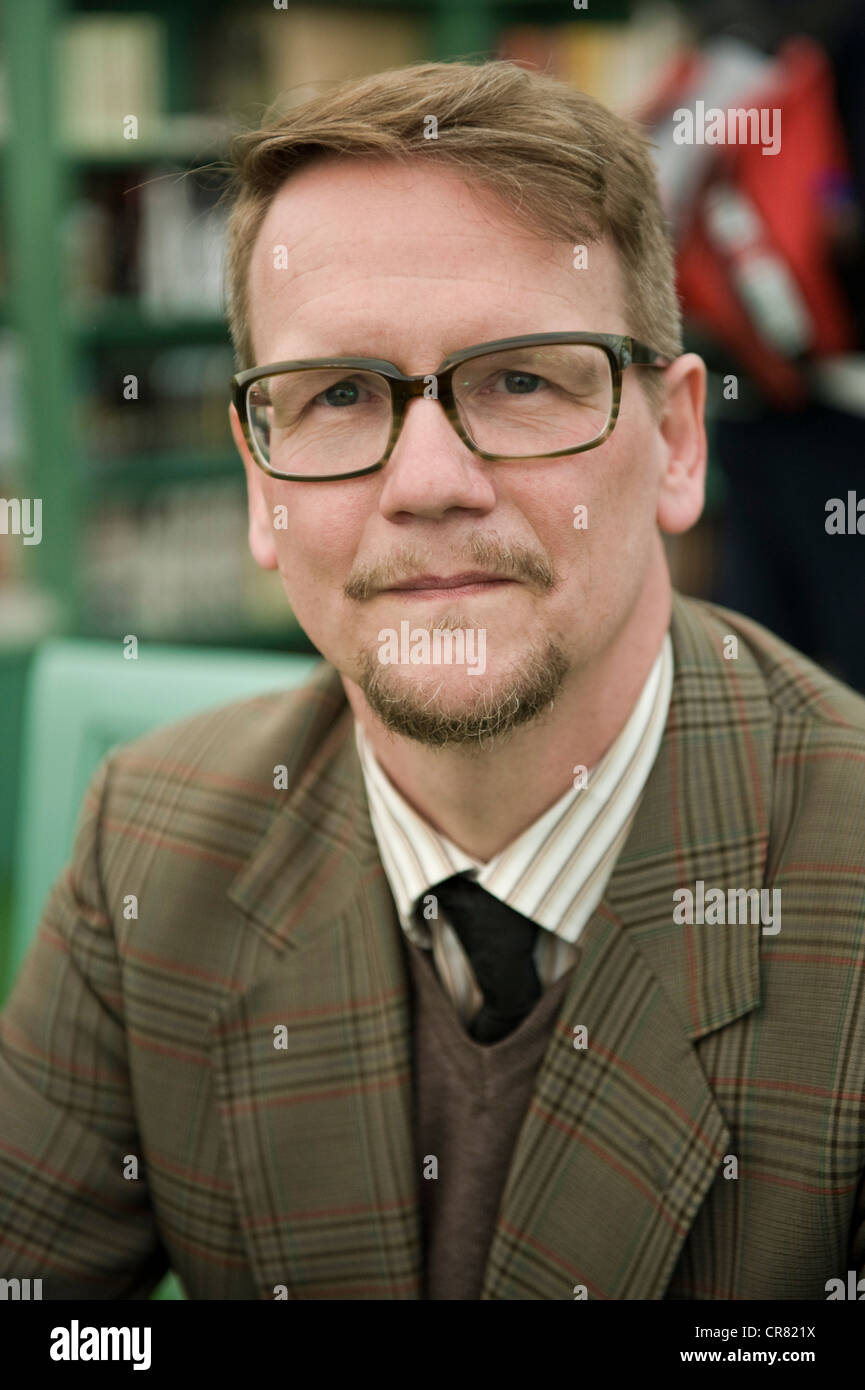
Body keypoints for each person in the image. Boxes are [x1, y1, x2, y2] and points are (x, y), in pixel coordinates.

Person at [1, 59, 863, 1302]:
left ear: (674, 443)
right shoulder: (149, 846)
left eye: (520, 379)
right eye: (340, 395)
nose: (426, 482)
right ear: (260, 483)